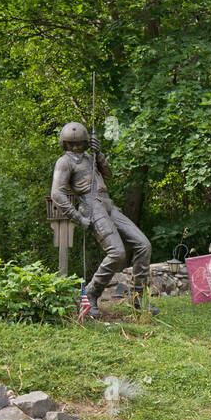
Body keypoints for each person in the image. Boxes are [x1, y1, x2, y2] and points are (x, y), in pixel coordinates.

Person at [51, 121, 152, 316]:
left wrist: (100, 156)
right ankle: (90, 293)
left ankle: (138, 299)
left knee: (143, 245)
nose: (76, 148)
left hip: (108, 204)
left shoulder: (91, 157)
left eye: (80, 144)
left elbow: (109, 175)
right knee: (117, 253)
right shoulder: (64, 162)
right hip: (90, 206)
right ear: (64, 145)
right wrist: (76, 217)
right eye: (72, 145)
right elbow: (57, 193)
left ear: (86, 143)